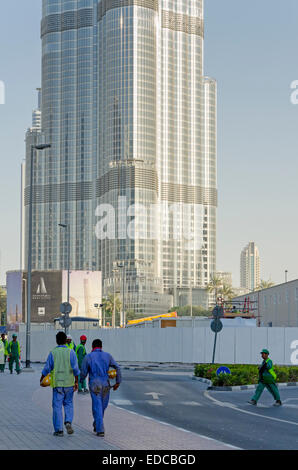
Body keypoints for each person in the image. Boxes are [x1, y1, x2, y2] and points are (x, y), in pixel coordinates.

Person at [40, 331, 80, 436]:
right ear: (66, 340)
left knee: (57, 406)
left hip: (57, 384)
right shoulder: (71, 352)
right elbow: (75, 369)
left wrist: (42, 378)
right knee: (69, 404)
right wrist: (76, 382)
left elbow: (47, 368)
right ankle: (68, 421)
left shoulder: (53, 353)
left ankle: (59, 430)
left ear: (57, 341)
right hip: (69, 383)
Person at [80, 338, 122, 437]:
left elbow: (83, 372)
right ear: (101, 347)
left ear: (92, 347)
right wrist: (118, 382)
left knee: (97, 406)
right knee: (102, 406)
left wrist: (79, 381)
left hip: (95, 385)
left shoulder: (88, 357)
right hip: (106, 385)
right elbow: (117, 367)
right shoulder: (108, 356)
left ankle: (99, 429)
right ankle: (98, 424)